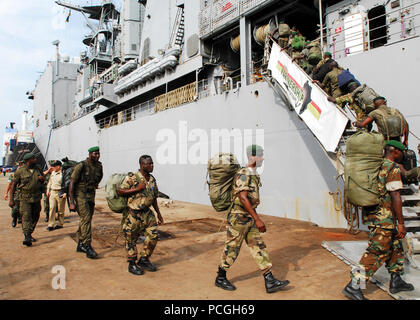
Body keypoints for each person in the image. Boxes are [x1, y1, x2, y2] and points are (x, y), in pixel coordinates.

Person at [343, 141, 415, 300]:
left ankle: (396, 280)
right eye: (402, 152)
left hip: (375, 215)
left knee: (395, 246)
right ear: (395, 151)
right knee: (376, 251)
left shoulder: (376, 165)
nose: (403, 155)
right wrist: (401, 223)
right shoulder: (392, 167)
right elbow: (395, 195)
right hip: (384, 217)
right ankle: (354, 285)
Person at [215, 145, 290, 293]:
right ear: (252, 157)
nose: (263, 158)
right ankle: (220, 277)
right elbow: (243, 197)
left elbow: (250, 198)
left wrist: (254, 217)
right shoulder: (244, 173)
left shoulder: (253, 174)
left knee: (259, 246)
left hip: (248, 217)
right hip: (238, 218)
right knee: (232, 248)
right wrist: (258, 219)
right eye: (260, 155)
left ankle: (269, 280)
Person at [117, 155, 164, 275]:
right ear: (143, 165)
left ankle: (144, 258)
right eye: (150, 164)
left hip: (147, 213)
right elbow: (120, 191)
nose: (152, 166)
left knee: (153, 235)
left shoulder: (152, 179)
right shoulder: (132, 177)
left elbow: (153, 197)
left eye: (152, 163)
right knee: (131, 240)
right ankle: (132, 264)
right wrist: (137, 189)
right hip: (133, 214)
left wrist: (158, 213)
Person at [69, 146, 103, 259]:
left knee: (86, 219)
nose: (97, 156)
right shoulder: (81, 166)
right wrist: (71, 202)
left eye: (98, 153)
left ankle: (80, 243)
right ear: (89, 154)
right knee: (86, 218)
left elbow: (99, 177)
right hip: (80, 195)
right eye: (95, 154)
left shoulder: (99, 166)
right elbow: (72, 183)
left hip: (91, 195)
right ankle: (87, 246)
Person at [9, 153, 45, 246]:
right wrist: (11, 200)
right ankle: (27, 236)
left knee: (36, 216)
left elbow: (43, 179)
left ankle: (29, 232)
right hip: (24, 198)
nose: (35, 160)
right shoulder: (20, 171)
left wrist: (42, 179)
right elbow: (13, 185)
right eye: (33, 158)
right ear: (28, 161)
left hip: (36, 197)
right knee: (26, 216)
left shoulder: (38, 168)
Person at [46, 160, 66, 231]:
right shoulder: (53, 173)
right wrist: (48, 189)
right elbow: (50, 182)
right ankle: (51, 224)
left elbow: (66, 184)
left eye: (54, 166)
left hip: (60, 193)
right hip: (53, 192)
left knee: (61, 210)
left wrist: (65, 193)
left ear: (58, 166)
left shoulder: (63, 174)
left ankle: (60, 223)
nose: (53, 167)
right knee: (52, 208)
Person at [4, 161, 24, 227]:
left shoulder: (27, 174)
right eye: (20, 166)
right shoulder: (13, 175)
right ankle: (14, 218)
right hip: (16, 194)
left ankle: (20, 218)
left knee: (24, 208)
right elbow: (9, 184)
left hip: (25, 194)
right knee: (15, 208)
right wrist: (6, 193)